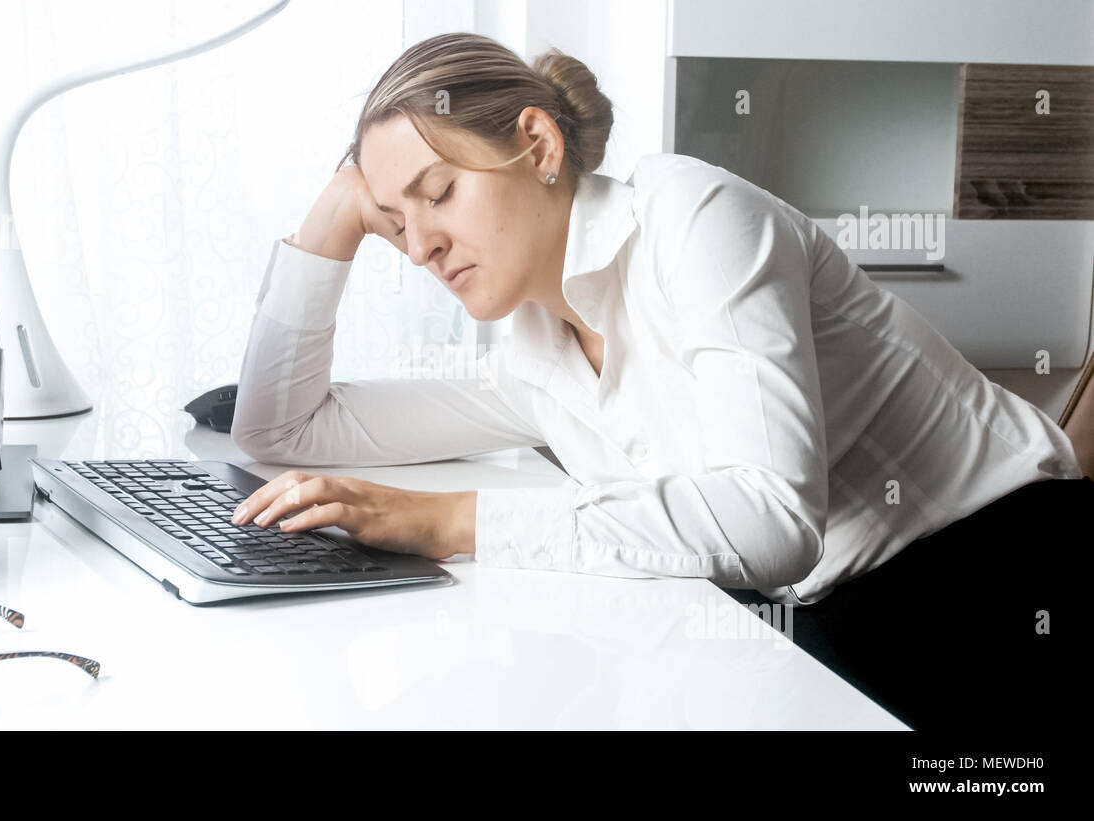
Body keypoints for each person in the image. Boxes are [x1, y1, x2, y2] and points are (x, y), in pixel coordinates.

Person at [228, 32, 1089, 729]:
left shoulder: (694, 219)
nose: (419, 247)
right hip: (819, 610)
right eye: (397, 219)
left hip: (1000, 572)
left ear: (537, 144)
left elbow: (774, 522)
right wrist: (337, 211)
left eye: (440, 193)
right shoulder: (528, 351)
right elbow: (279, 432)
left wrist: (448, 521)